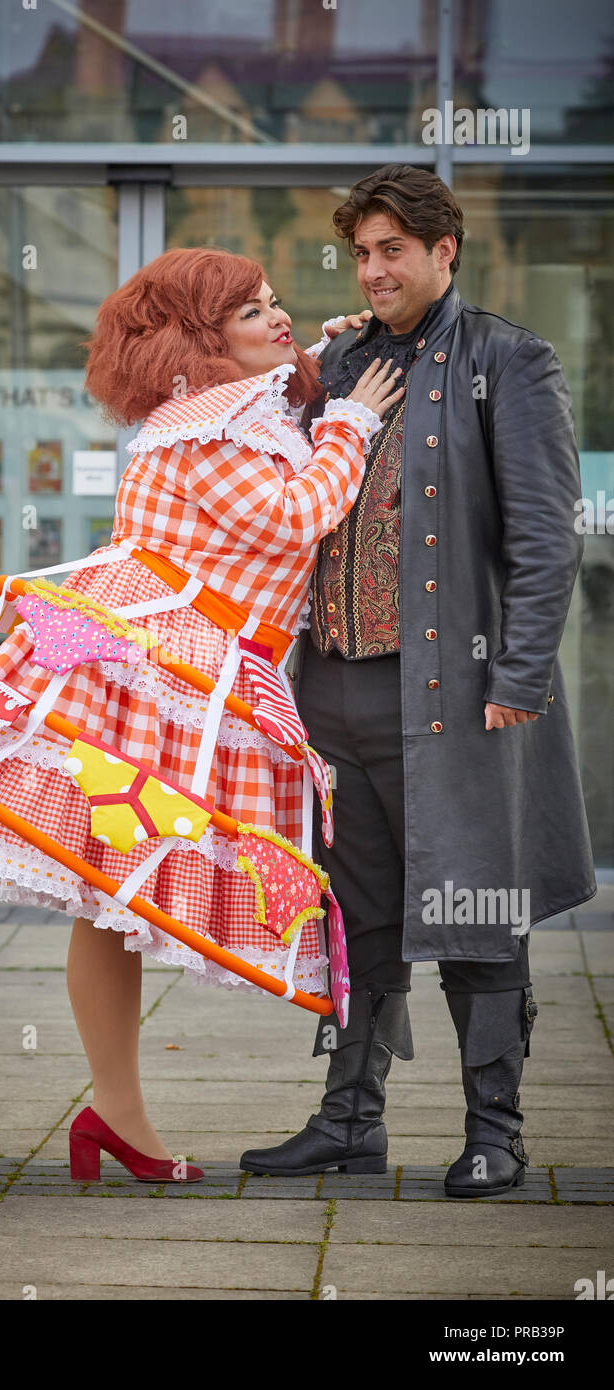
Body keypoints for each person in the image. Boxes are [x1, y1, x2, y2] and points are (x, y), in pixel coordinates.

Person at [0, 247, 403, 1184]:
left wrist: (326, 363)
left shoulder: (244, 411)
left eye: (278, 303)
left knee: (111, 886)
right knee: (3, 788)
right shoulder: (202, 425)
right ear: (203, 340)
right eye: (255, 313)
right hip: (155, 658)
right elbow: (298, 515)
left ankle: (116, 1115)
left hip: (205, 666)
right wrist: (351, 420)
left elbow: (286, 433)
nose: (281, 319)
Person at [239, 164, 597, 1198]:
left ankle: (496, 1130)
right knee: (353, 921)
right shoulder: (340, 355)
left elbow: (542, 539)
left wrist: (519, 675)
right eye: (361, 251)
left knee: (476, 912)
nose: (374, 266)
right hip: (333, 694)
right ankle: (347, 1120)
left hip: (454, 695)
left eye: (392, 248)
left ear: (446, 250)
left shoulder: (508, 359)